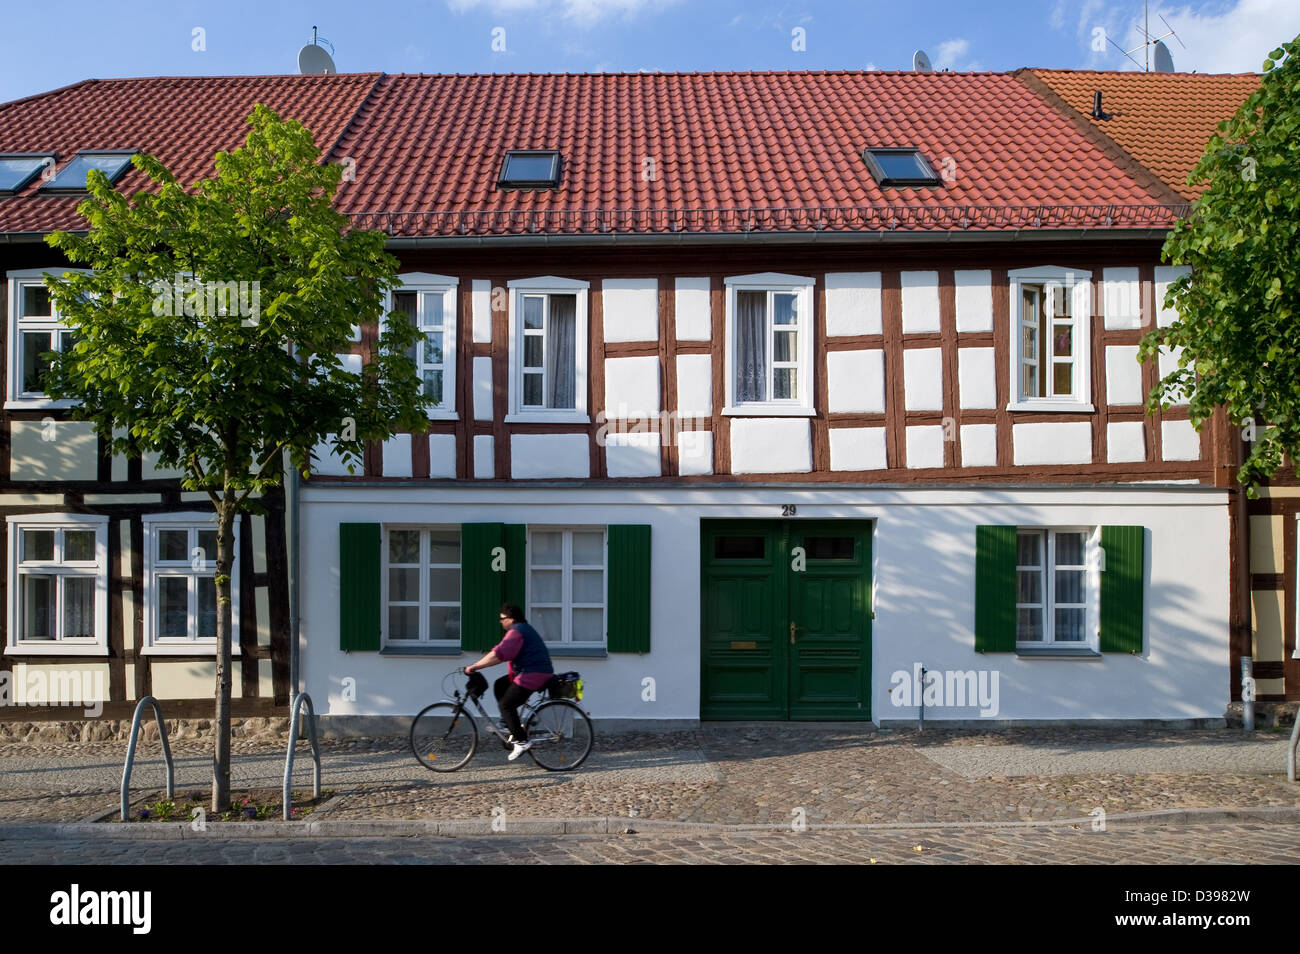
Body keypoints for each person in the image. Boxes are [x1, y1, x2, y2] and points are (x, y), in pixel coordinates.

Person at [464, 604, 554, 761]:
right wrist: (478, 665)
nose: (500, 622)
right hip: (532, 672)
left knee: (506, 705)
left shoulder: (517, 632)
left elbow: (499, 654)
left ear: (511, 619)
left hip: (532, 674)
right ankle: (508, 723)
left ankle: (521, 741)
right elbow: (499, 651)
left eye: (502, 619)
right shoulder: (522, 629)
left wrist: (475, 666)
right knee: (500, 685)